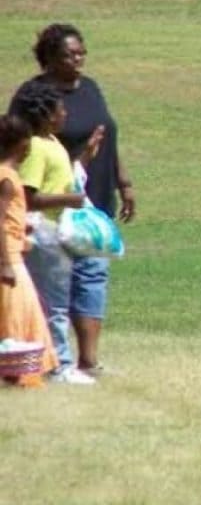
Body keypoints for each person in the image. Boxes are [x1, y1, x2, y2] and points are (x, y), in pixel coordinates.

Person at [10, 23, 134, 377]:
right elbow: (16, 148)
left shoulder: (90, 88)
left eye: (82, 52)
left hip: (91, 205)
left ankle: (88, 361)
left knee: (92, 278)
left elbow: (108, 138)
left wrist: (124, 182)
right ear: (49, 58)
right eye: (70, 54)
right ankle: (54, 361)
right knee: (54, 290)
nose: (78, 59)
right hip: (51, 212)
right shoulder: (34, 97)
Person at [8, 81, 101, 385]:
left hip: (57, 230)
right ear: (45, 114)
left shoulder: (52, 142)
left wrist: (86, 156)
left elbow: (62, 177)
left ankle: (45, 361)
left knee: (55, 299)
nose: (65, 114)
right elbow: (28, 196)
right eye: (60, 109)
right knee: (54, 303)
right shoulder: (36, 147)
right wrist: (69, 200)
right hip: (43, 231)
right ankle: (58, 365)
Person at [0, 114, 58, 387]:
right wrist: (5, 263)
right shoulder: (7, 178)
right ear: (22, 145)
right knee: (17, 314)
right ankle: (17, 372)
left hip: (14, 250)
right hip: (9, 257)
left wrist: (23, 227)